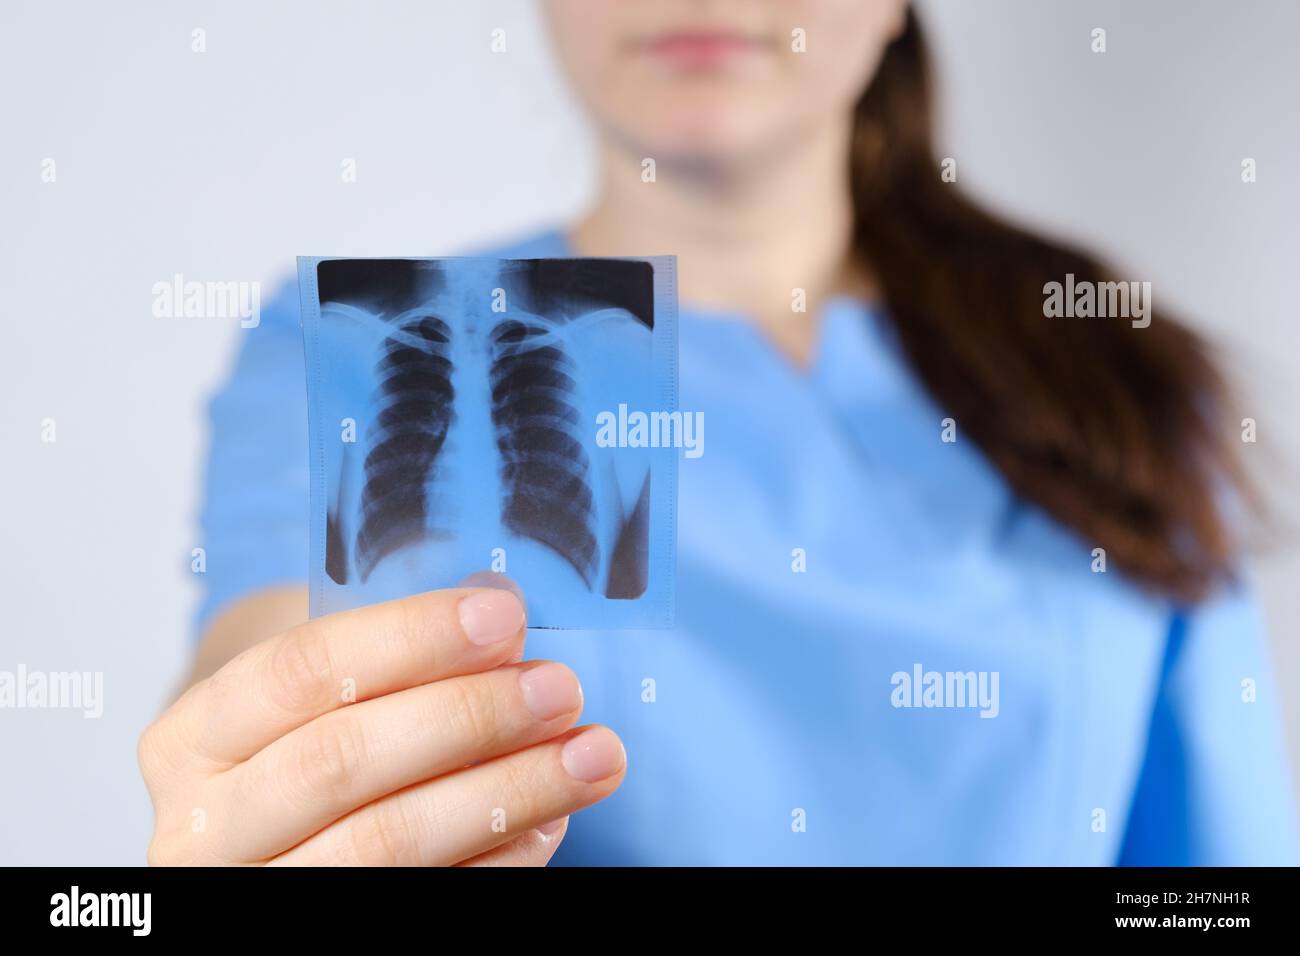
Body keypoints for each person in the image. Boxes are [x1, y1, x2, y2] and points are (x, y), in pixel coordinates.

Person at [139, 0, 1298, 865]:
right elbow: (266, 665)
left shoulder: (1113, 369)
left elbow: (1212, 861)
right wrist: (264, 782)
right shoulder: (368, 344)